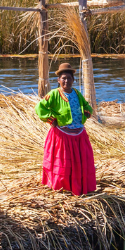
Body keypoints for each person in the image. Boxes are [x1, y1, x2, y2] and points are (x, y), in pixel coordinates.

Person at [37, 63, 96, 196]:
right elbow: (40, 108)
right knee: (63, 163)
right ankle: (62, 186)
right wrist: (51, 118)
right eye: (63, 78)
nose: (66, 81)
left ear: (73, 80)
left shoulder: (76, 93)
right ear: (58, 80)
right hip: (62, 135)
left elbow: (86, 105)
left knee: (80, 162)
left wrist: (87, 111)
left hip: (79, 133)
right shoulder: (54, 94)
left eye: (69, 78)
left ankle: (78, 185)